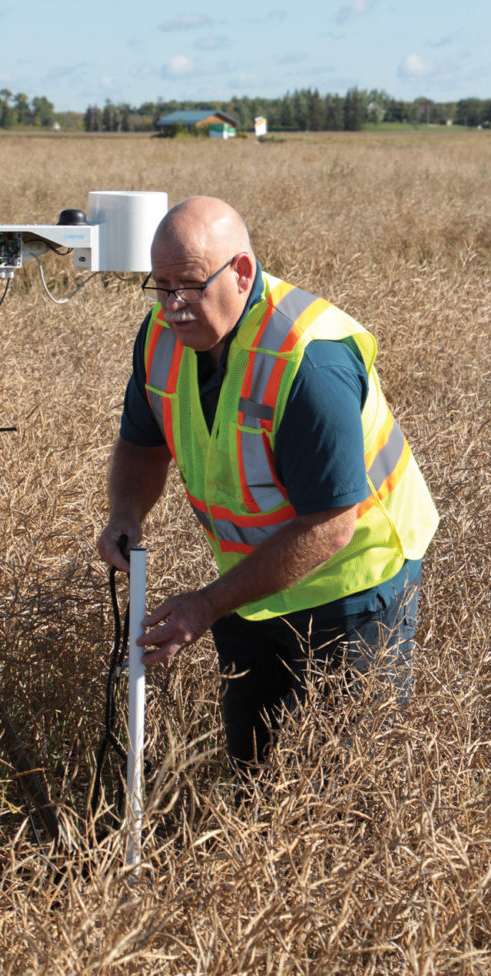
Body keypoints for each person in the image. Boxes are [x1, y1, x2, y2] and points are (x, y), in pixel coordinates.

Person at [97, 195, 439, 781]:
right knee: (255, 771)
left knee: (343, 784)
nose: (173, 306)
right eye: (160, 287)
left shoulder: (309, 361)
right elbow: (141, 442)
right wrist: (125, 513)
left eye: (189, 286)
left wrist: (205, 605)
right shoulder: (160, 336)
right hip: (250, 589)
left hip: (356, 587)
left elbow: (332, 523)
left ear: (243, 272)